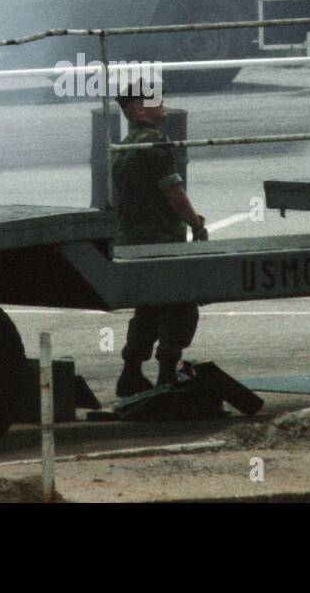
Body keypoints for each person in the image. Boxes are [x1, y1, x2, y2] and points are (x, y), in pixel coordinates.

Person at [112, 80, 208, 397]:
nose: (163, 102)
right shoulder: (157, 142)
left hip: (134, 240)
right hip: (162, 240)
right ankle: (167, 373)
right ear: (140, 108)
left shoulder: (124, 146)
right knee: (181, 306)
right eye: (156, 99)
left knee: (149, 310)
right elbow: (172, 189)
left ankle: (131, 372)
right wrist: (195, 222)